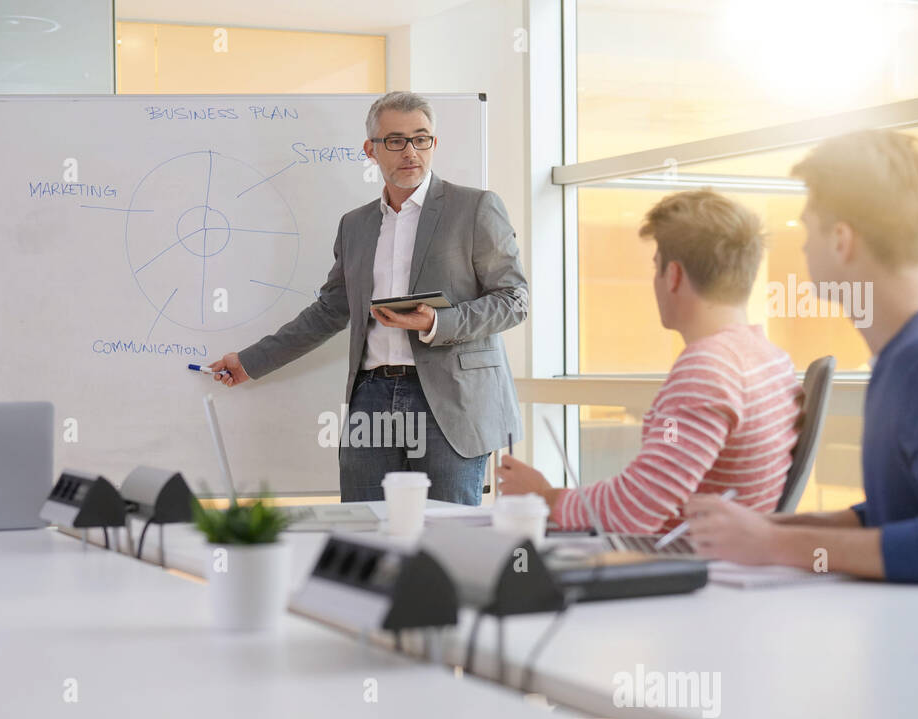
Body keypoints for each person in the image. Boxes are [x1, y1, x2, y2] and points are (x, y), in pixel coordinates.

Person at [685, 130, 918, 587]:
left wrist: (773, 545)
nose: (802, 247)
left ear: (841, 240)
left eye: (808, 228)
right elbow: (911, 511)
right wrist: (774, 528)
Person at [208, 91, 527, 505]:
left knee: (447, 539)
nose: (410, 151)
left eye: (421, 138)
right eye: (395, 140)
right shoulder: (355, 225)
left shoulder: (476, 208)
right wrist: (251, 361)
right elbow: (329, 311)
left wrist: (435, 322)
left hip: (451, 401)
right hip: (372, 396)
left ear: (434, 143)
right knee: (365, 531)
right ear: (371, 150)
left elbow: (513, 298)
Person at [499, 189, 802, 533]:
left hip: (681, 567)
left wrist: (543, 495)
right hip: (719, 561)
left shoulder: (708, 367)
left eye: (656, 266)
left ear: (672, 275)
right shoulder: (772, 360)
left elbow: (635, 508)